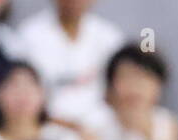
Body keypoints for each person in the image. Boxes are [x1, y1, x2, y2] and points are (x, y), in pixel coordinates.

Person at [16, 0, 123, 129]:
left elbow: (118, 91)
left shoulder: (109, 36)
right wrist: (73, 128)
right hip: (45, 128)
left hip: (102, 129)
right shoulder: (29, 35)